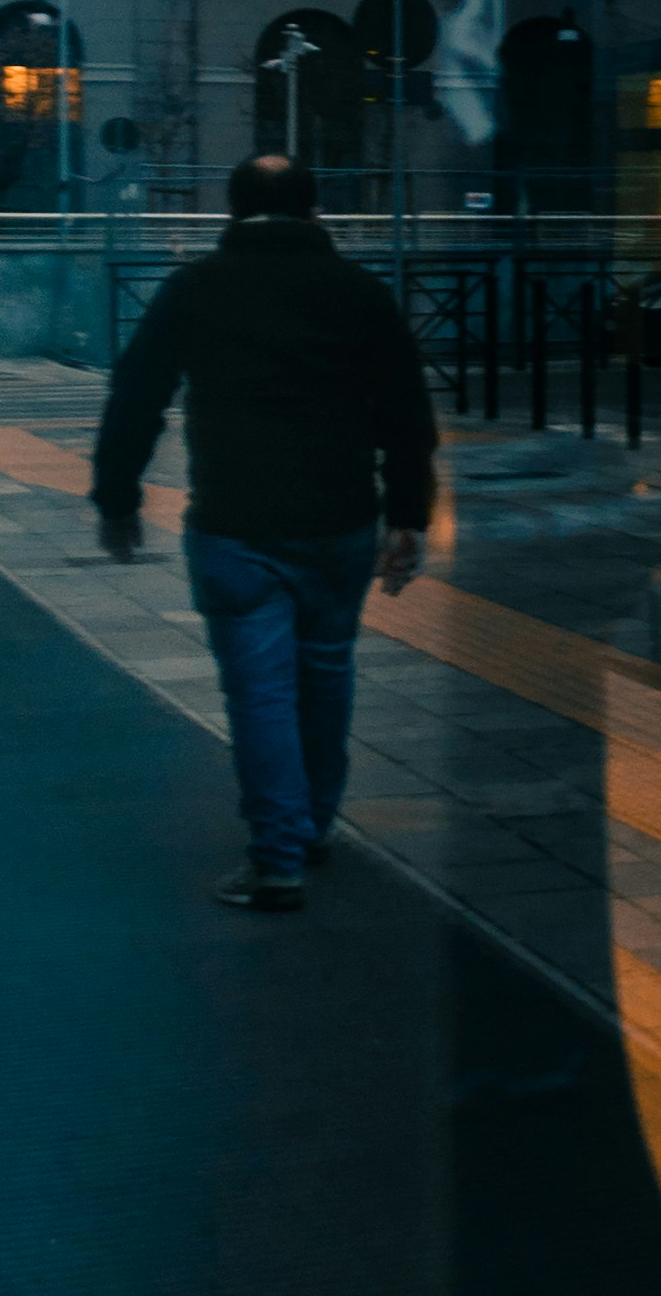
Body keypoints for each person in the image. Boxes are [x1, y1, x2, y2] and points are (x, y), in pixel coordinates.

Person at [90, 151, 439, 909]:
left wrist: (116, 494)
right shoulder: (359, 291)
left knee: (260, 694)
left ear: (232, 211)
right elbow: (407, 413)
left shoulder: (196, 288)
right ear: (314, 214)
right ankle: (313, 824)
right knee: (325, 673)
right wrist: (408, 514)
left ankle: (276, 855)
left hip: (235, 525)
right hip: (340, 521)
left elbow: (137, 392)